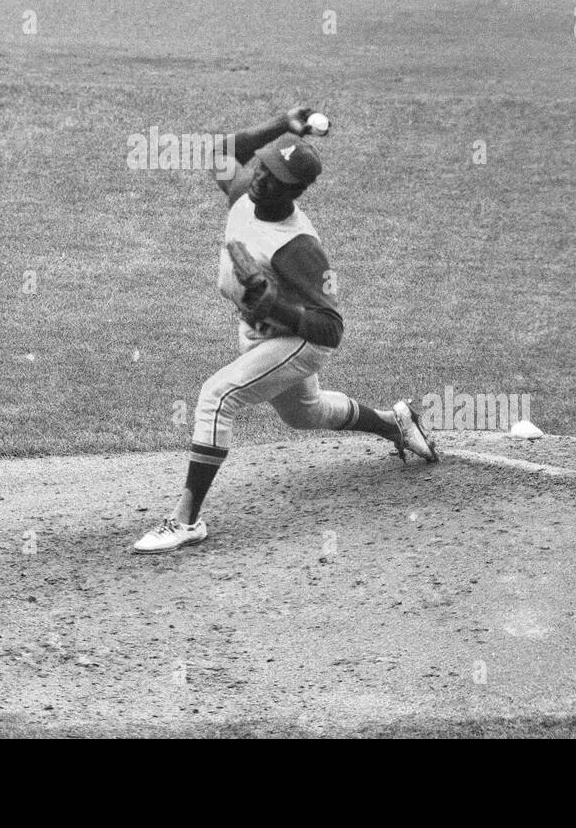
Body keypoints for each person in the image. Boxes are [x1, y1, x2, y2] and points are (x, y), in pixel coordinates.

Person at [133, 105, 438, 554]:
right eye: (263, 167)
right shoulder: (244, 194)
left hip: (299, 342)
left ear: (295, 190)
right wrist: (282, 123)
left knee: (216, 398)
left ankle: (185, 521)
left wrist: (276, 304)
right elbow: (221, 152)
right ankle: (397, 423)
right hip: (259, 332)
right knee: (305, 414)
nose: (261, 178)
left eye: (275, 178)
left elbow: (331, 330)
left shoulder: (298, 248)